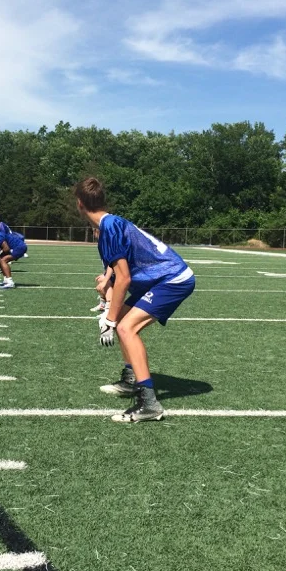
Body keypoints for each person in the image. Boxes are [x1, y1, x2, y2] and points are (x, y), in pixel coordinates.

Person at [74, 177, 195, 424]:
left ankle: (149, 403)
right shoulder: (110, 223)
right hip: (160, 278)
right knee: (121, 320)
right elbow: (119, 265)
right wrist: (108, 280)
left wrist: (108, 317)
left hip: (172, 279)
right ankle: (131, 379)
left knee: (126, 327)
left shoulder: (109, 227)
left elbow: (125, 278)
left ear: (79, 204)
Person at [0, 222, 28, 289]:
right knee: (0, 259)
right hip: (16, 247)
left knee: (3, 260)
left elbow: (6, 248)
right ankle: (6, 281)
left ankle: (10, 282)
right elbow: (3, 249)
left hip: (19, 247)